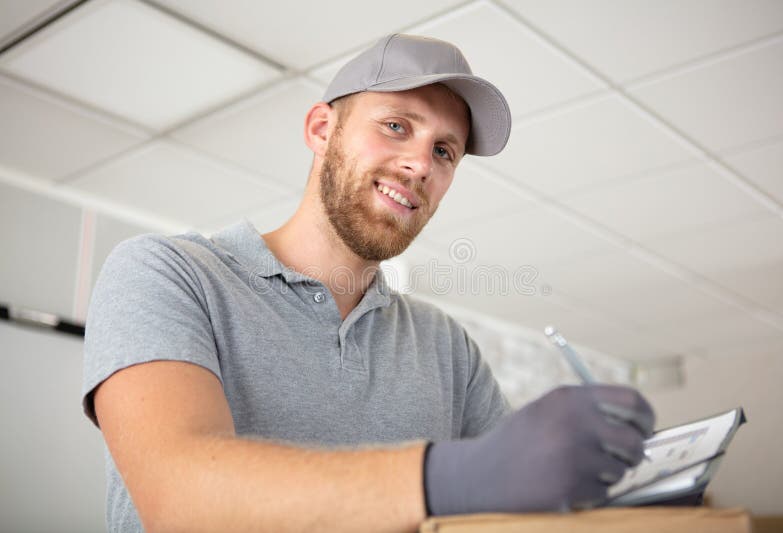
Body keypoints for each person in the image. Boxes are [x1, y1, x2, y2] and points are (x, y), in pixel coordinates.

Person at [82, 34, 655, 533]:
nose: (421, 165)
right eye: (396, 126)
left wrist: (627, 499)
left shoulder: (446, 348)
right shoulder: (168, 274)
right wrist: (454, 477)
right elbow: (179, 500)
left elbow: (514, 515)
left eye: (444, 151)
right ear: (322, 129)